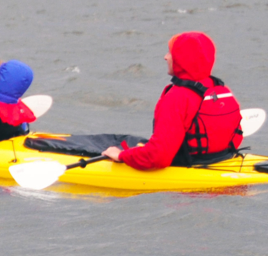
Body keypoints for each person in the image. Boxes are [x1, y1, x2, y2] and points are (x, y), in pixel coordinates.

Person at [100, 31, 243, 169]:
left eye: (171, 53)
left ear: (183, 58)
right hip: (223, 159)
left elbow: (158, 156)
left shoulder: (177, 98)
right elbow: (236, 136)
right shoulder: (220, 90)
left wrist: (122, 155)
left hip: (189, 173)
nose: (166, 57)